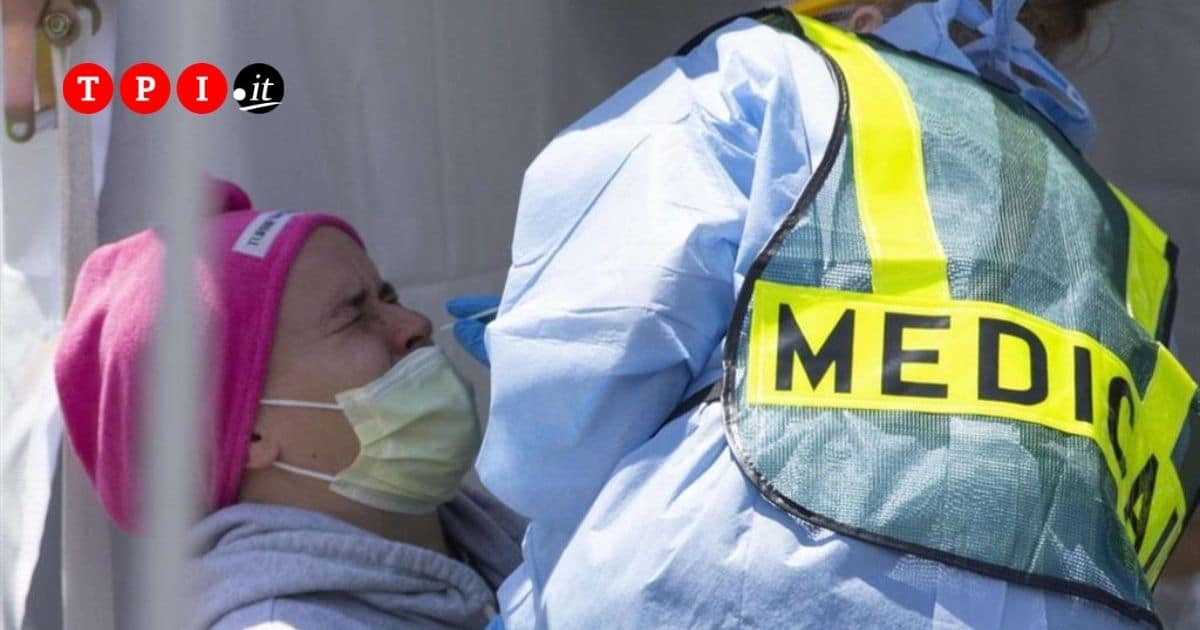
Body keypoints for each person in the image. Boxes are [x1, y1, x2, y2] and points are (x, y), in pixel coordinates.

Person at [451, 1, 1199, 628]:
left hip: (722, 591)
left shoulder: (763, 69)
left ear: (857, 17)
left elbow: (573, 394)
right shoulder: (1108, 224)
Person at [54, 180, 524, 629]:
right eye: (354, 315)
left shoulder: (493, 537)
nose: (414, 323)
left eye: (389, 297)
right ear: (249, 435)